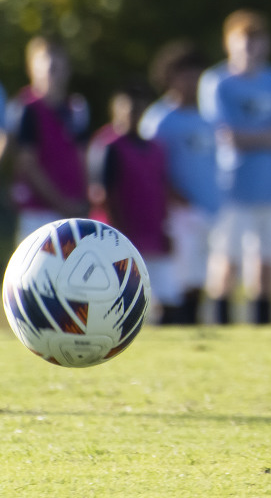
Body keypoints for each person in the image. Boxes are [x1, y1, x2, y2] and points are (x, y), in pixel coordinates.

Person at [200, 9, 271, 325]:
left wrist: (251, 136)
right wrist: (266, 135)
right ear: (229, 43)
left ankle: (263, 329)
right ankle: (221, 327)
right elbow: (227, 136)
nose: (250, 48)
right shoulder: (217, 82)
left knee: (267, 264)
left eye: (256, 40)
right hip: (231, 188)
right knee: (226, 262)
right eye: (243, 40)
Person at [142, 41, 221, 324]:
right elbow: (149, 167)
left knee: (200, 276)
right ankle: (172, 326)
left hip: (209, 209)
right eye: (184, 75)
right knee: (176, 278)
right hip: (177, 212)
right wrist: (173, 196)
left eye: (196, 75)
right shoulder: (160, 119)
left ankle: (194, 326)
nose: (191, 82)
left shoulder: (208, 117)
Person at [87, 86, 173, 299]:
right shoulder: (108, 146)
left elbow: (161, 190)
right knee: (123, 296)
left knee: (165, 295)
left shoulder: (155, 148)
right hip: (121, 237)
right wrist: (119, 235)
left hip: (151, 234)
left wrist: (165, 229)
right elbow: (101, 194)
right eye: (129, 109)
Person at [3, 38, 91, 241]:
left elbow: (82, 156)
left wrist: (83, 201)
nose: (52, 65)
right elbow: (27, 163)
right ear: (30, 67)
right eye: (44, 59)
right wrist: (61, 203)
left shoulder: (76, 107)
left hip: (74, 211)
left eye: (58, 59)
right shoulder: (26, 108)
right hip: (39, 213)